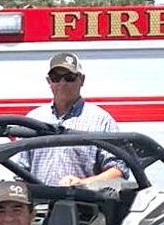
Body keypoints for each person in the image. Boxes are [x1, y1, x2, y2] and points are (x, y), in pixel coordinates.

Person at [21, 51, 129, 186]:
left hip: (84, 204)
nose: (62, 83)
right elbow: (20, 171)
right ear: (49, 81)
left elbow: (119, 170)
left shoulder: (101, 120)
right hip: (38, 204)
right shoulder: (33, 118)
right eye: (56, 78)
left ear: (82, 80)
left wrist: (83, 183)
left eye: (69, 77)